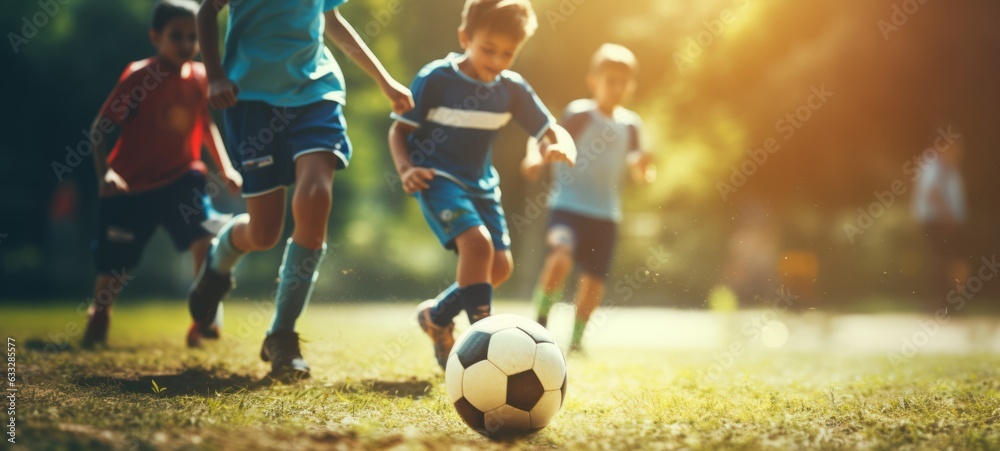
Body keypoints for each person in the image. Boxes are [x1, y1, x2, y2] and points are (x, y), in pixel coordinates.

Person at [190, 0, 413, 380]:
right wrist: (214, 75)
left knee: (315, 198)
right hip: (250, 100)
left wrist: (384, 81)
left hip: (315, 94)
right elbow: (206, 12)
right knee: (264, 233)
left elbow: (331, 20)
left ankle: (281, 334)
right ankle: (219, 261)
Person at [387, 0, 575, 369]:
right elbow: (399, 130)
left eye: (509, 52)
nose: (498, 59)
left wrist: (560, 146)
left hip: (483, 185)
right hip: (437, 177)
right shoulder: (436, 79)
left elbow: (550, 130)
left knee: (500, 267)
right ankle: (483, 342)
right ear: (465, 37)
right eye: (488, 49)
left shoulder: (512, 89)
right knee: (477, 245)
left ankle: (437, 317)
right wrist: (406, 169)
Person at [82, 0, 242, 349]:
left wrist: (225, 166)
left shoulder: (202, 77)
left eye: (193, 36)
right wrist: (105, 173)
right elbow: (99, 129)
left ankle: (202, 313)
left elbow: (206, 125)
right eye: (177, 36)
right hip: (131, 188)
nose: (187, 44)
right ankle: (101, 312)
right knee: (114, 266)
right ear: (156, 37)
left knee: (206, 235)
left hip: (183, 181)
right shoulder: (139, 76)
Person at [525, 44, 654, 353]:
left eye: (624, 82)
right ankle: (539, 327)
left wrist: (645, 170)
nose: (617, 88)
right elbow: (545, 136)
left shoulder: (631, 125)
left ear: (631, 86)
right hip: (567, 207)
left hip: (605, 215)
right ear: (594, 81)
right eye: (611, 81)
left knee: (593, 282)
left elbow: (640, 168)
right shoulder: (579, 114)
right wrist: (535, 158)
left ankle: (577, 341)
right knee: (560, 259)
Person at [912, 127, 968, 310]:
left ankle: (945, 302)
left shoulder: (948, 168)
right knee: (941, 262)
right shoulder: (934, 167)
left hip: (944, 222)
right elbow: (933, 194)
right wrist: (948, 216)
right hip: (937, 223)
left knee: (947, 261)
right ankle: (938, 304)